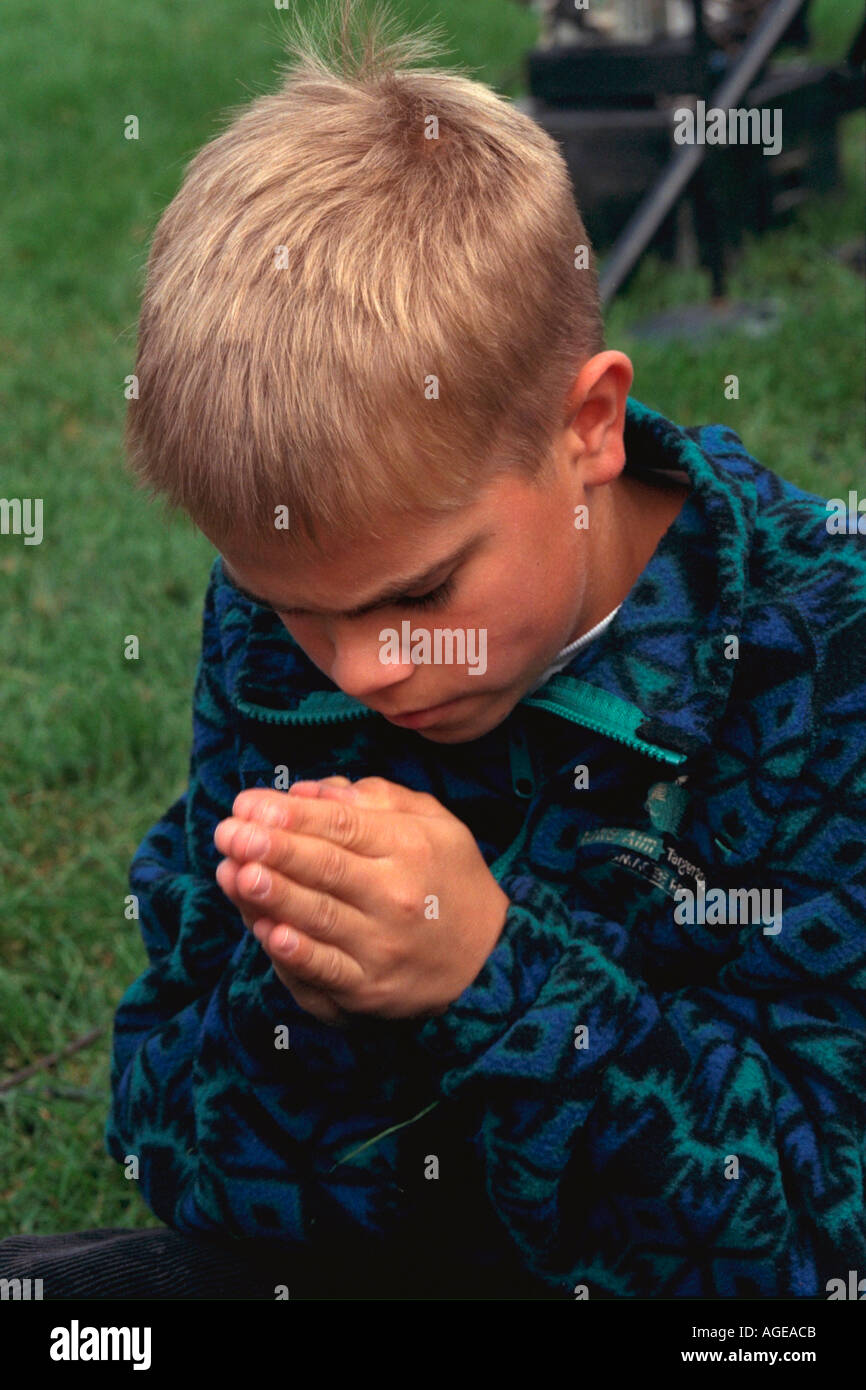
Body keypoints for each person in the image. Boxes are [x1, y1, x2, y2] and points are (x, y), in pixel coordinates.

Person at [3, 0, 864, 1300]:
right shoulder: (286, 600)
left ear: (588, 427)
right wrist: (308, 997)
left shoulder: (816, 647)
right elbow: (179, 1150)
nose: (356, 670)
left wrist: (492, 974)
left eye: (418, 593)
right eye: (297, 607)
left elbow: (808, 1248)